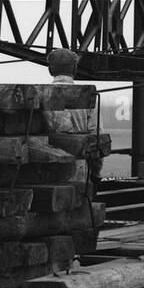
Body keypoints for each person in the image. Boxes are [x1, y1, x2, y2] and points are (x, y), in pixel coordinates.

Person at [45, 47, 102, 198]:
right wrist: (95, 170)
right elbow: (96, 131)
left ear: (50, 70)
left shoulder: (41, 95)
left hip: (47, 166)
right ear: (75, 69)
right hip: (80, 166)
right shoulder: (89, 95)